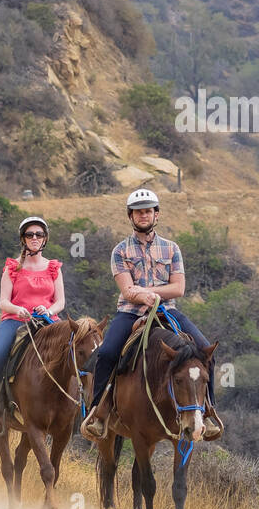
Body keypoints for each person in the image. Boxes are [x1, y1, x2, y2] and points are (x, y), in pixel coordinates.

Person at [81, 188, 223, 442]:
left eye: (148, 211)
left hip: (168, 311)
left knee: (205, 351)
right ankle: (99, 413)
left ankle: (209, 411)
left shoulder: (171, 249)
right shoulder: (120, 251)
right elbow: (126, 289)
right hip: (130, 312)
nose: (143, 215)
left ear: (156, 215)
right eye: (138, 212)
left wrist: (148, 292)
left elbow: (178, 288)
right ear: (131, 216)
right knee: (107, 352)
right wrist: (142, 295)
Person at [0, 216, 65, 435]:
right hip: (17, 320)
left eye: (39, 234)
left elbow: (60, 302)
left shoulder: (53, 267)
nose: (35, 238)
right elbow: (3, 301)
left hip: (47, 322)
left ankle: (76, 407)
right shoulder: (12, 267)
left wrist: (48, 311)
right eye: (30, 234)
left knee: (75, 353)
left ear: (45, 238)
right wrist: (17, 309)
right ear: (23, 239)